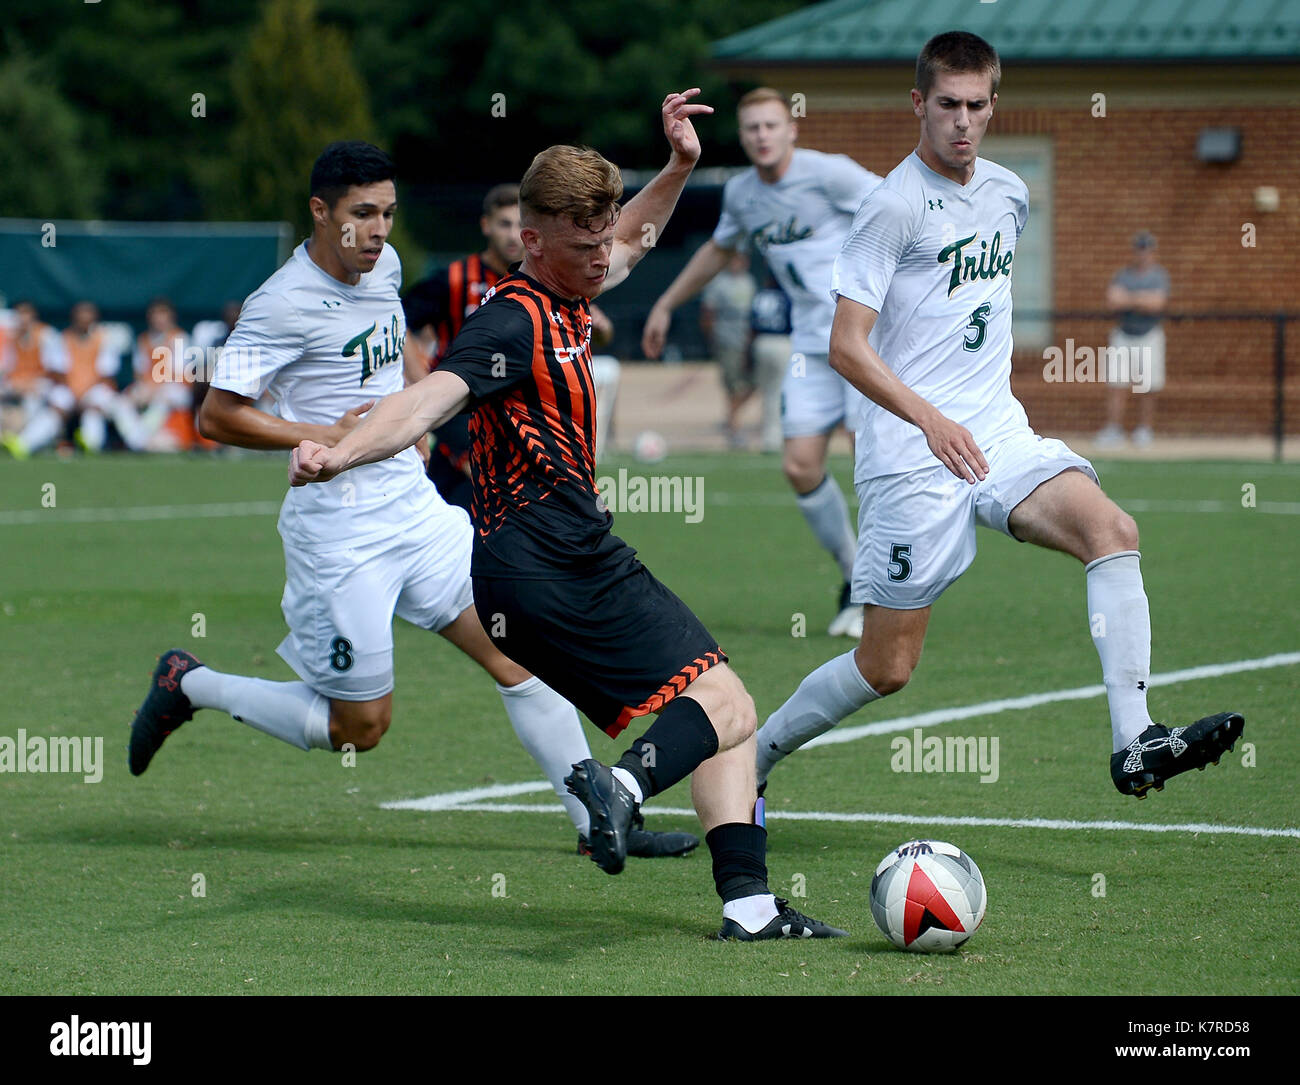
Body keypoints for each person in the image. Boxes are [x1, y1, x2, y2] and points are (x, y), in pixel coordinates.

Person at [289, 93, 848, 940]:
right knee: (728, 709)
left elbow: (636, 239)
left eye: (603, 240)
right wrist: (339, 451)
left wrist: (682, 167)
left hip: (556, 558)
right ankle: (617, 791)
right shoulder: (512, 317)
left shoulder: (571, 287)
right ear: (533, 240)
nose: (601, 259)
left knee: (720, 711)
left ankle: (748, 905)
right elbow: (426, 400)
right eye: (583, 247)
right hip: (546, 563)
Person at [127, 140, 695, 862]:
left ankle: (598, 824)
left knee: (520, 651)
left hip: (417, 510)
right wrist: (321, 434)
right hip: (338, 535)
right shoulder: (282, 302)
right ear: (320, 211)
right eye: (362, 214)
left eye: (388, 213)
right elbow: (216, 414)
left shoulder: (385, 267)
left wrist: (421, 401)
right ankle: (191, 682)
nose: (378, 230)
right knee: (360, 726)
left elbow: (396, 351)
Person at [753, 31, 1242, 801]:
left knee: (1111, 531)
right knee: (886, 667)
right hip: (912, 458)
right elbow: (847, 347)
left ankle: (1135, 740)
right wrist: (929, 418)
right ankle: (753, 757)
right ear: (919, 103)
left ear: (993, 106)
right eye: (947, 104)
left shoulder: (1010, 194)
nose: (962, 121)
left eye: (977, 106)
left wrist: (971, 413)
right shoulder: (891, 205)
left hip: (999, 437)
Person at [642, 88, 882, 638]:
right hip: (808, 348)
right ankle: (854, 579)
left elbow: (898, 211)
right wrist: (665, 302)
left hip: (867, 340)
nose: (762, 136)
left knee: (870, 464)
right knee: (799, 465)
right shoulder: (743, 193)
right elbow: (719, 250)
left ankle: (879, 592)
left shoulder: (832, 174)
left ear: (792, 129)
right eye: (751, 128)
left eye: (771, 125)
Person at [403, 184, 615, 508]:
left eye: (519, 225)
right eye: (504, 224)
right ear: (486, 225)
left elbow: (596, 331)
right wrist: (420, 380)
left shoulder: (549, 279)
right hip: (462, 418)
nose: (513, 235)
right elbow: (396, 321)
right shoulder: (456, 279)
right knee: (456, 526)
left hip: (523, 416)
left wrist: (598, 328)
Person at [1096, 231, 1170, 449]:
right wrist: (1142, 299)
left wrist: (1130, 298)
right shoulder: (1123, 275)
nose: (1143, 255)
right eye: (1140, 250)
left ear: (1153, 253)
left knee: (1148, 385)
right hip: (1123, 334)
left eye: (1147, 250)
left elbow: (1157, 303)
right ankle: (1114, 429)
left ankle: (1144, 429)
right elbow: (1113, 300)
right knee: (1116, 383)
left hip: (1149, 334)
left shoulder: (1159, 276)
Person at [699, 248, 756, 447]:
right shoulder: (718, 283)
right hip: (726, 339)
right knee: (734, 385)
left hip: (747, 340)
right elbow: (708, 313)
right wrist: (712, 339)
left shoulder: (748, 281)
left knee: (752, 382)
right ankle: (734, 427)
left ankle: (732, 418)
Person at [0, 301, 71, 457]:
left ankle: (23, 443)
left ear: (33, 316)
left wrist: (31, 382)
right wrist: (16, 384)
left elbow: (57, 371)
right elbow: (6, 369)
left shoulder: (47, 335)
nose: (22, 319)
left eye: (26, 314)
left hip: (44, 385)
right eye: (19, 314)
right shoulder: (10, 337)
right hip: (18, 385)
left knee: (58, 403)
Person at [749, 275, 792, 454]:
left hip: (761, 342)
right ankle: (783, 436)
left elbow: (751, 324)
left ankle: (769, 438)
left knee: (768, 392)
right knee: (784, 391)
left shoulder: (760, 296)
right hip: (783, 342)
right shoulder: (787, 295)